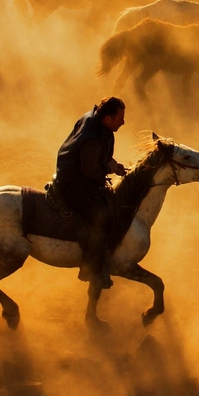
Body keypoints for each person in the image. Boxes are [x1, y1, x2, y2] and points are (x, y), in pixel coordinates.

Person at [54, 97, 127, 288]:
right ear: (108, 118)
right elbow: (90, 170)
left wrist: (111, 164)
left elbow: (97, 159)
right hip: (75, 184)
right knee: (102, 216)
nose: (123, 122)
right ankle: (90, 267)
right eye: (120, 118)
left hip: (79, 177)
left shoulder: (95, 121)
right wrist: (108, 169)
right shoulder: (92, 138)